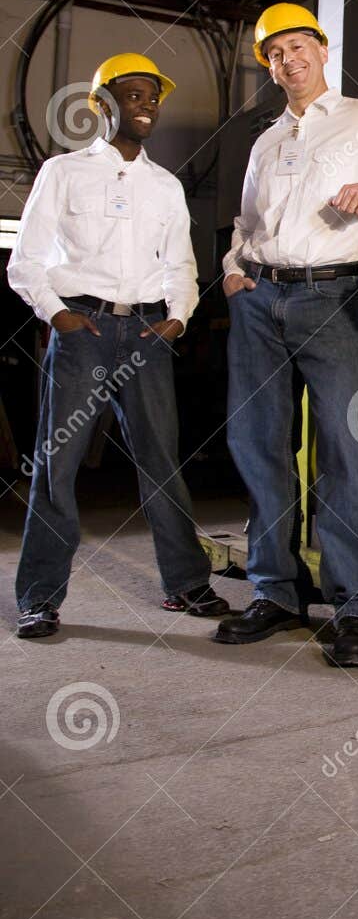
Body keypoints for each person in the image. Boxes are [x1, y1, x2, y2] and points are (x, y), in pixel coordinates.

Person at [215, 2, 358, 667]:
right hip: (259, 299)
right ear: (270, 66)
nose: (288, 61)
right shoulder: (266, 141)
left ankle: (353, 607)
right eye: (275, 54)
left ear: (321, 49)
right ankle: (275, 594)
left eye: (298, 47)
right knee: (260, 448)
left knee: (345, 451)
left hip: (332, 297)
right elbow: (245, 222)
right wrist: (234, 269)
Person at [9, 53, 229, 639]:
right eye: (133, 95)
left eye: (153, 96)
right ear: (102, 105)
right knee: (57, 467)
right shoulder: (63, 173)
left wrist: (179, 317)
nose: (147, 105)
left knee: (163, 461)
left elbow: (181, 262)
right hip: (85, 331)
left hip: (147, 334)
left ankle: (185, 585)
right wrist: (59, 316)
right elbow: (26, 262)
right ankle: (39, 598)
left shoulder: (166, 185)